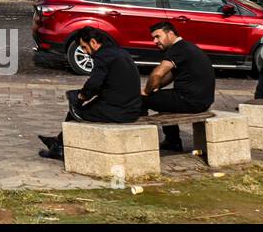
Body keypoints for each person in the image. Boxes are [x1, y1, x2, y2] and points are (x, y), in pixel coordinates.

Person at [39, 27, 143, 159]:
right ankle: (58, 142)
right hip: (131, 107)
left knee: (74, 111)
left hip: (119, 111)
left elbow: (94, 84)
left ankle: (59, 147)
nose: (84, 52)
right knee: (77, 104)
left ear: (93, 42)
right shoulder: (119, 52)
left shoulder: (103, 57)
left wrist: (80, 96)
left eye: (84, 47)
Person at [142, 21, 215, 152]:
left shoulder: (178, 49)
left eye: (157, 36)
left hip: (190, 101)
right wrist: (156, 88)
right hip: (202, 101)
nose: (154, 41)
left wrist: (146, 92)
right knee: (163, 99)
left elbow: (157, 74)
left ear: (170, 34)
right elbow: (169, 77)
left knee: (140, 99)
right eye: (153, 38)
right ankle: (172, 142)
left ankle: (142, 142)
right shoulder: (186, 47)